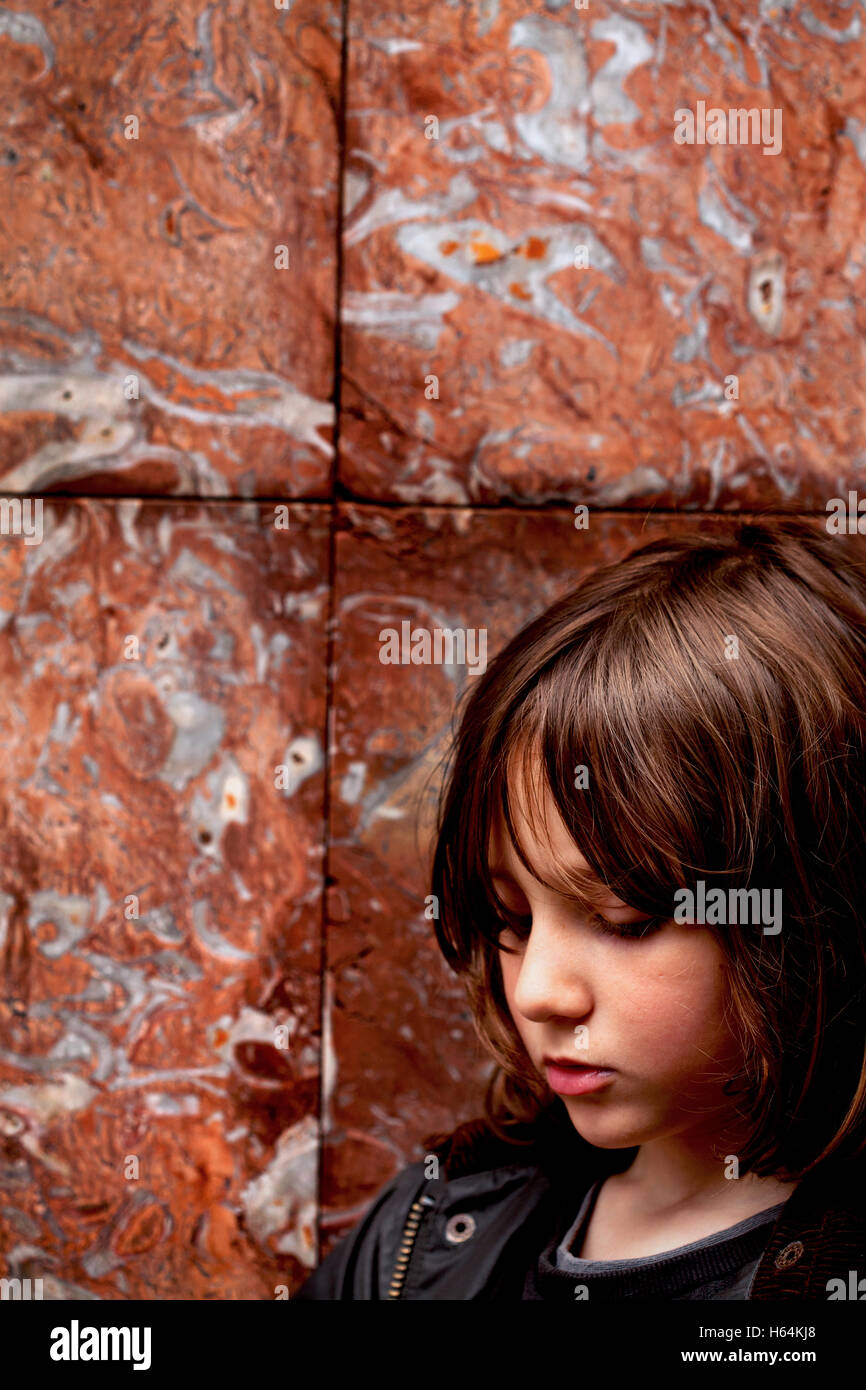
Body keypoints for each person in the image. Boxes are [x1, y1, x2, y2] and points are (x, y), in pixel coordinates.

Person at [293, 519, 866, 1300]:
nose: (537, 993)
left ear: (815, 914)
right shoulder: (429, 1230)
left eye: (625, 921)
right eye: (511, 921)